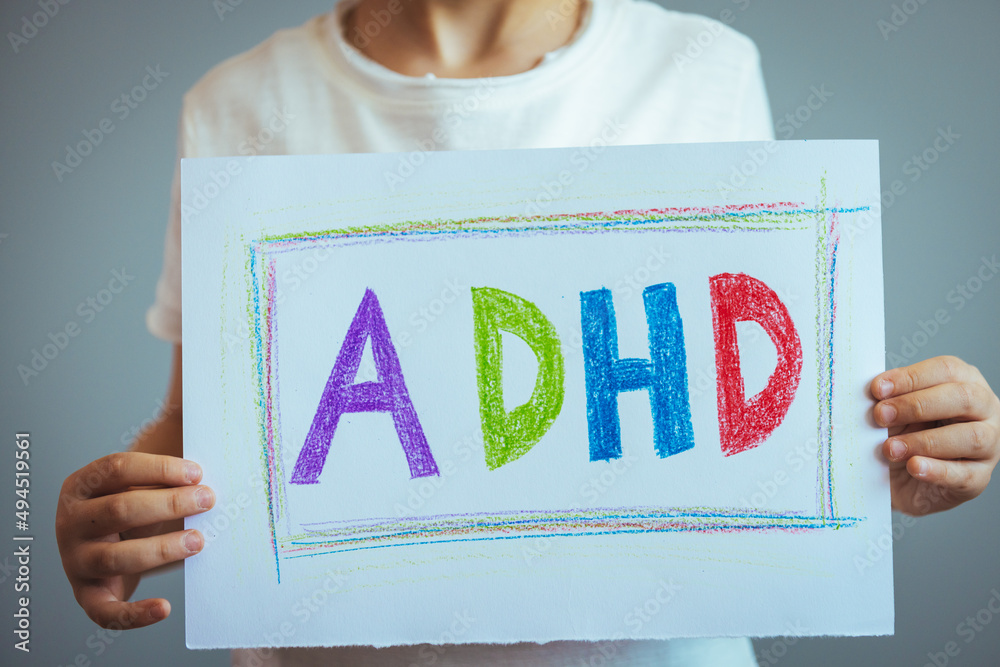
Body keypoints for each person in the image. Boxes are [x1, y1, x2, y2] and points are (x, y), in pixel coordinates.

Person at [55, 0, 1000, 665]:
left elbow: (748, 407)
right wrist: (112, 520)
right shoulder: (237, 102)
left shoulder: (704, 69)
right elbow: (202, 425)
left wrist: (895, 456)